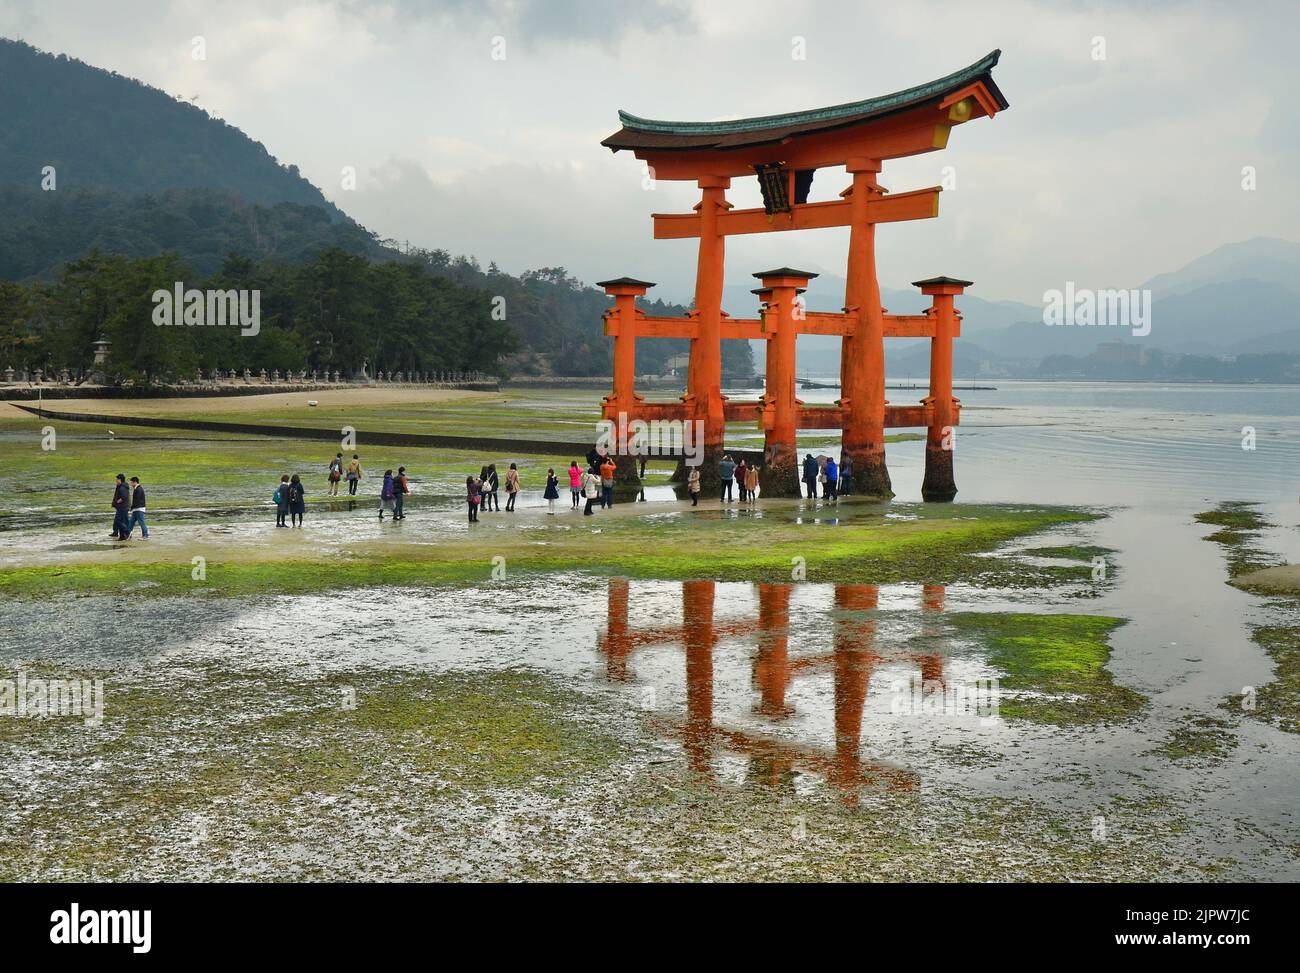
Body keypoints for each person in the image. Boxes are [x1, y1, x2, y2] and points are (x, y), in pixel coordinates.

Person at [111, 474, 130, 539]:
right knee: (121, 521)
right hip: (122, 507)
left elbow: (123, 497)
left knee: (118, 521)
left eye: (117, 479)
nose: (116, 481)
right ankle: (122, 536)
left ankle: (127, 532)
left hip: (122, 507)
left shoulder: (122, 487)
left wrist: (117, 502)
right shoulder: (121, 486)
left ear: (120, 480)